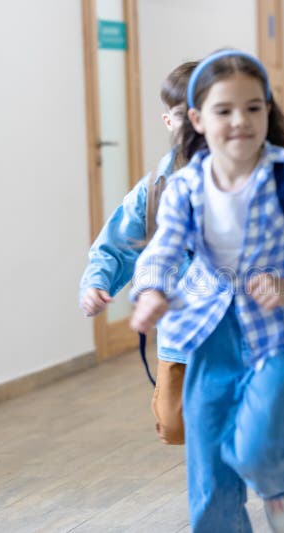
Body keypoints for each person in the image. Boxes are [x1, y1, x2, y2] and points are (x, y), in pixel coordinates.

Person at [129, 49, 284, 533]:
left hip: (283, 330)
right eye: (224, 110)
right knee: (209, 471)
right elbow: (163, 249)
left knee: (255, 450)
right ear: (196, 119)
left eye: (254, 108)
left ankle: (281, 478)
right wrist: (151, 290)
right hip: (209, 332)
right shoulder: (185, 187)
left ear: (268, 112)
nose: (241, 121)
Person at [79, 60, 197, 445]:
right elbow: (116, 241)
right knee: (174, 425)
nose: (195, 124)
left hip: (236, 334)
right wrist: (96, 282)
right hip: (178, 332)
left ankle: (235, 489)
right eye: (183, 115)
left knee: (241, 426)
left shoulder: (243, 182)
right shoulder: (155, 189)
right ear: (169, 122)